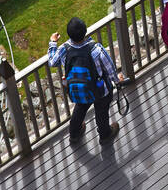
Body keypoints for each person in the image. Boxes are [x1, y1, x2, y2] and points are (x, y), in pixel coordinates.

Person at [48, 16, 124, 144]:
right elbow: (110, 68)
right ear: (85, 31)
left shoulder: (64, 49)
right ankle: (105, 134)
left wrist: (53, 43)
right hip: (99, 90)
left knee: (80, 108)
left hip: (78, 90)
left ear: (69, 34)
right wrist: (118, 81)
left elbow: (52, 61)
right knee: (101, 110)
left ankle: (74, 133)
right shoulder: (96, 49)